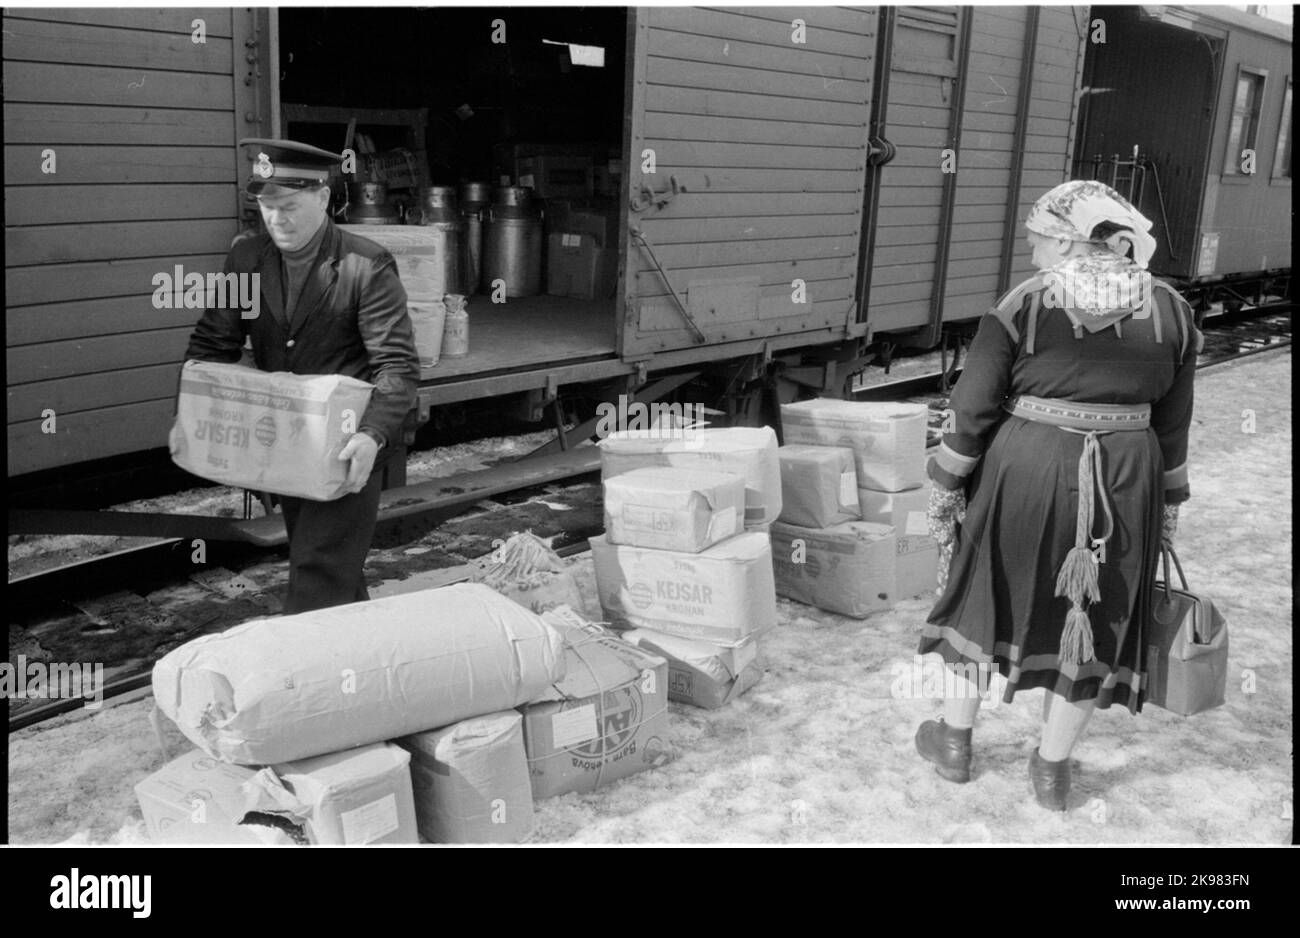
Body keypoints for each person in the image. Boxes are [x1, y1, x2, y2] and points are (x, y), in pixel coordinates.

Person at [914, 179, 1200, 811]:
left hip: (1027, 471)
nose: (1033, 253)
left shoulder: (1025, 303)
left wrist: (947, 481)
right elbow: (1173, 424)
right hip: (1127, 479)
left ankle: (955, 744)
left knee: (984, 598)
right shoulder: (1172, 310)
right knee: (1095, 616)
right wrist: (1169, 502)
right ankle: (1052, 771)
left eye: (1039, 240)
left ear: (1070, 239)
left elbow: (972, 406)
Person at [185, 138, 420, 614]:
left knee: (318, 572)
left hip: (347, 447)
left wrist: (372, 434)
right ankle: (360, 649)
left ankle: (298, 660)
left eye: (289, 206)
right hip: (287, 442)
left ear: (323, 197)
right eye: (267, 207)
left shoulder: (365, 265)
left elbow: (396, 365)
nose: (277, 219)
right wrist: (199, 408)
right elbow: (213, 342)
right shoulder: (247, 259)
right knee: (330, 568)